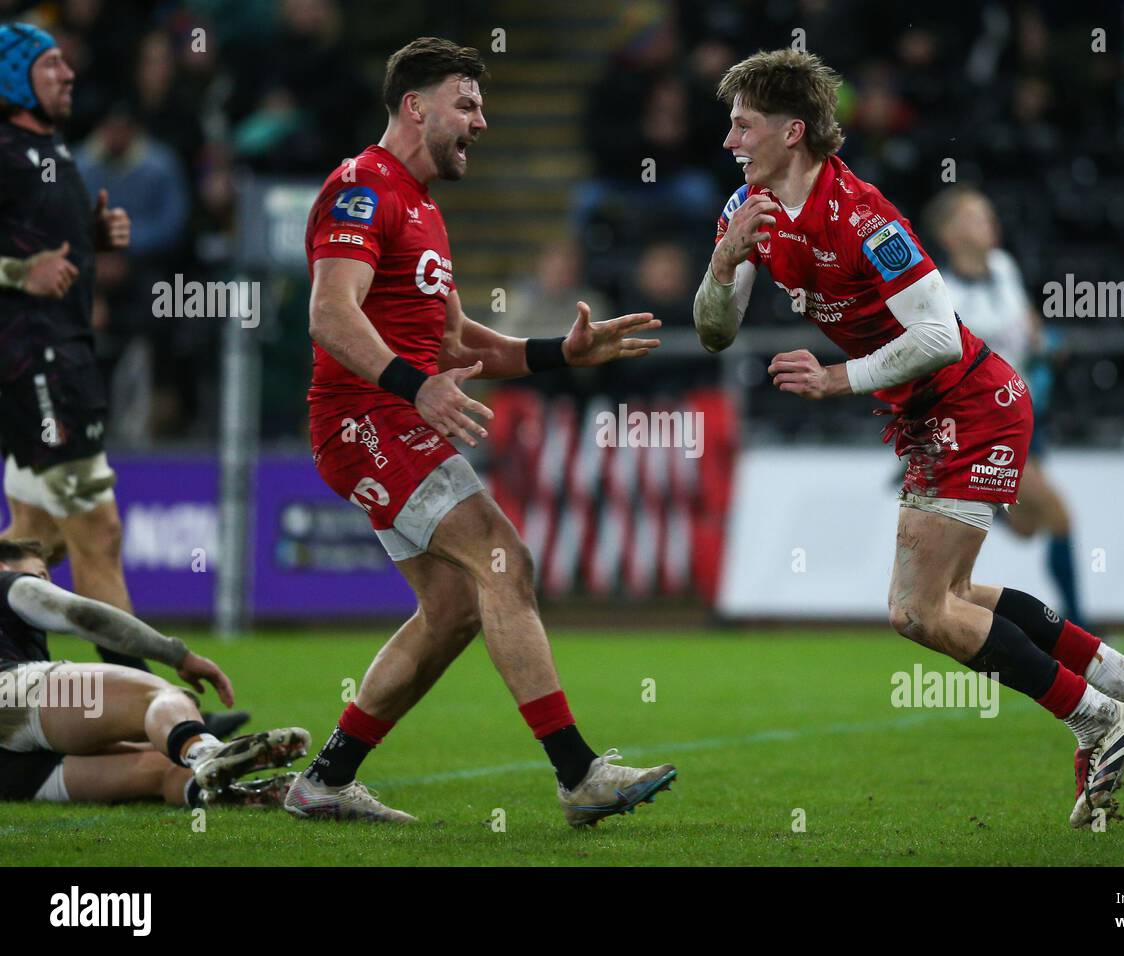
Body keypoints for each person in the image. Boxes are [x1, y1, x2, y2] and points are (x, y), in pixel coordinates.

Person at [692, 49, 1124, 828]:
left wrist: (836, 378)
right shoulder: (744, 212)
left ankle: (1096, 716)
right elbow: (715, 333)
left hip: (975, 403)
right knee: (945, 601)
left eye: (742, 124)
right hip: (927, 415)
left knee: (918, 611)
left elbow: (940, 338)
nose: (729, 141)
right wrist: (721, 265)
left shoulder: (865, 217)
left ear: (791, 131)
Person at [290, 37, 676, 825]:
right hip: (364, 418)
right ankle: (578, 774)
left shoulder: (422, 206)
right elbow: (331, 314)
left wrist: (560, 352)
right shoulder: (363, 186)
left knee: (455, 609)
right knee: (507, 559)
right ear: (414, 107)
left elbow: (461, 344)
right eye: (466, 104)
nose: (483, 121)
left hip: (392, 415)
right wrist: (413, 384)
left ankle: (325, 780)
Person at [0, 23, 247, 738]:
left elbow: (47, 241)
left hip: (61, 358)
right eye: (50, 65)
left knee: (31, 541)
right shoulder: (9, 152)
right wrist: (25, 273)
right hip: (37, 365)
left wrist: (90, 238)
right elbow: (26, 262)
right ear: (14, 77)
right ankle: (159, 719)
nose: (68, 74)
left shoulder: (52, 153)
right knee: (98, 535)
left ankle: (123, 707)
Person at [0, 538, 307, 808]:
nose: (46, 584)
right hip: (10, 693)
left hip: (17, 775)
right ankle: (207, 752)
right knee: (158, 697)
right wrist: (178, 655)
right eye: (39, 576)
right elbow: (82, 615)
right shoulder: (9, 585)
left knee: (165, 769)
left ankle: (233, 795)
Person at [924, 184, 1093, 631]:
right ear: (949, 232)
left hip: (1025, 417)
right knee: (1059, 516)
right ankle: (1079, 627)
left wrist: (1044, 343)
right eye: (976, 216)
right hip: (986, 424)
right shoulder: (944, 295)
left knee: (1026, 529)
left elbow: (1026, 325)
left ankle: (979, 497)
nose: (989, 222)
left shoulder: (1003, 267)